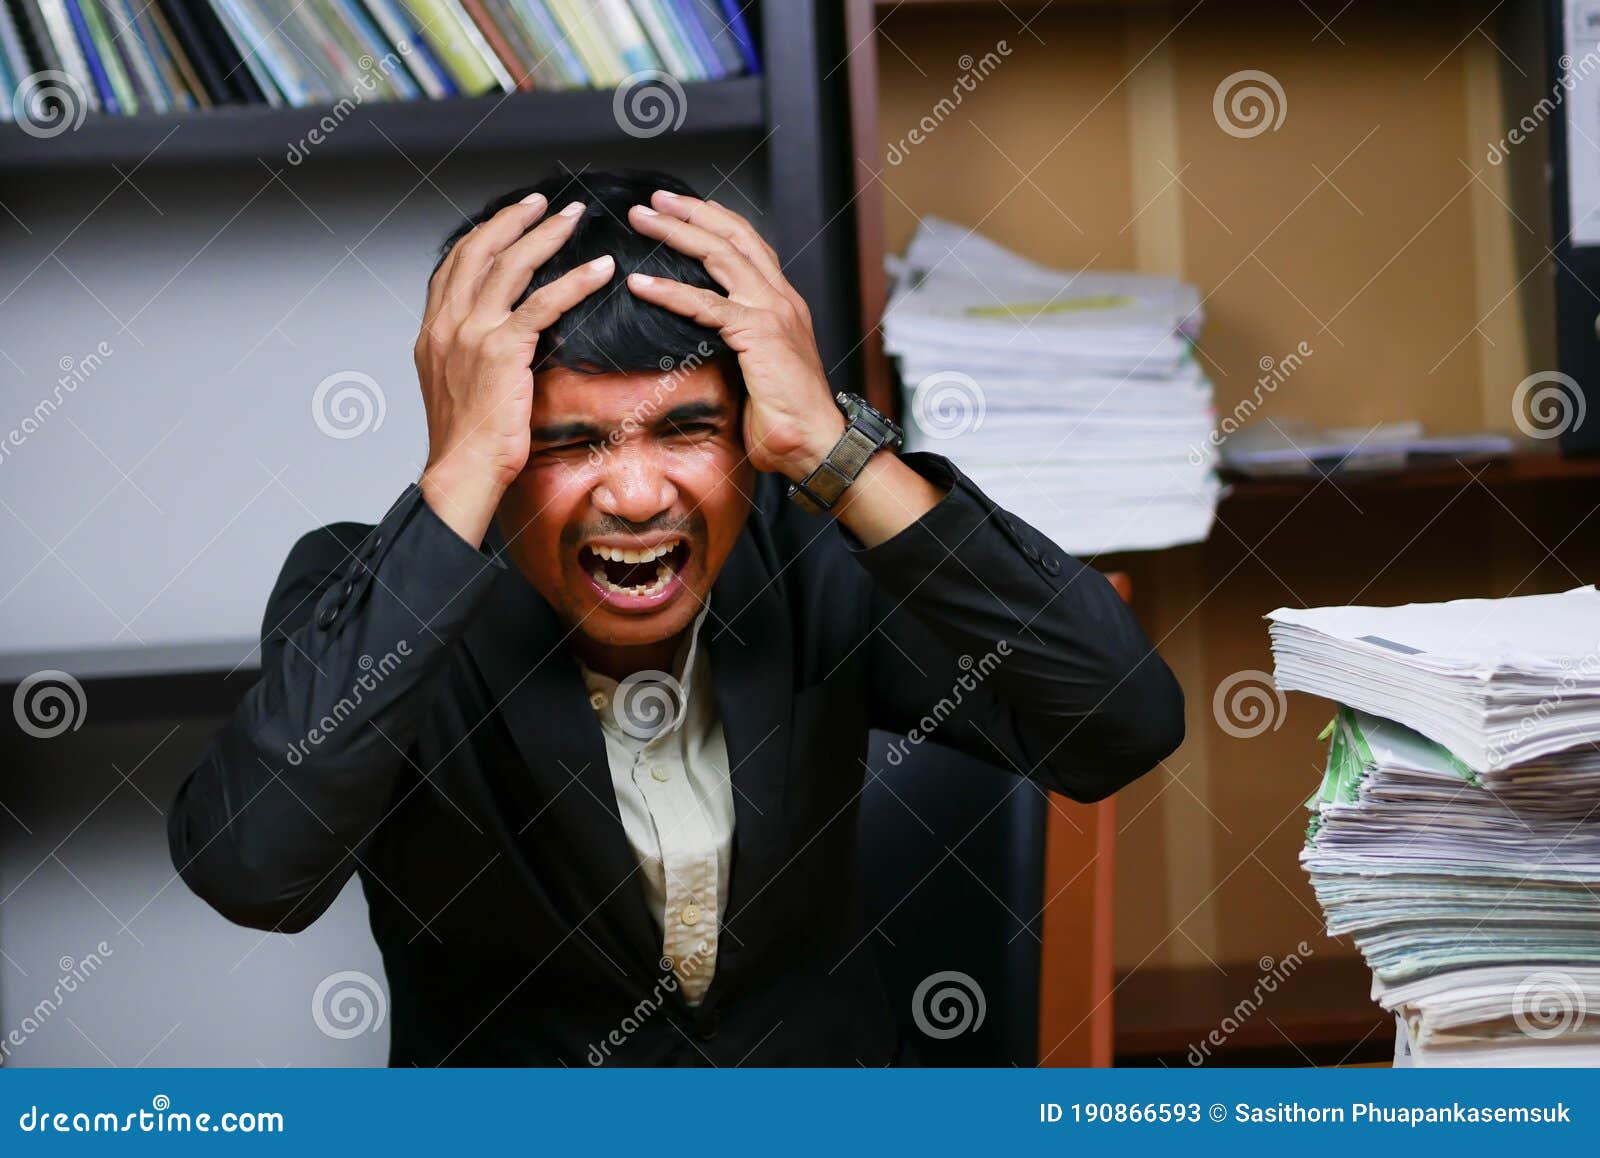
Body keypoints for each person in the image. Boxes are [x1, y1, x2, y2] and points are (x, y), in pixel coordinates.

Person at [168, 169, 1185, 1066]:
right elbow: (255, 871)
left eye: (687, 428)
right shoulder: (376, 595)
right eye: (568, 443)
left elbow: (1120, 723)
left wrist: (833, 448)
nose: (638, 495)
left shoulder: (813, 563)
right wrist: (461, 471)